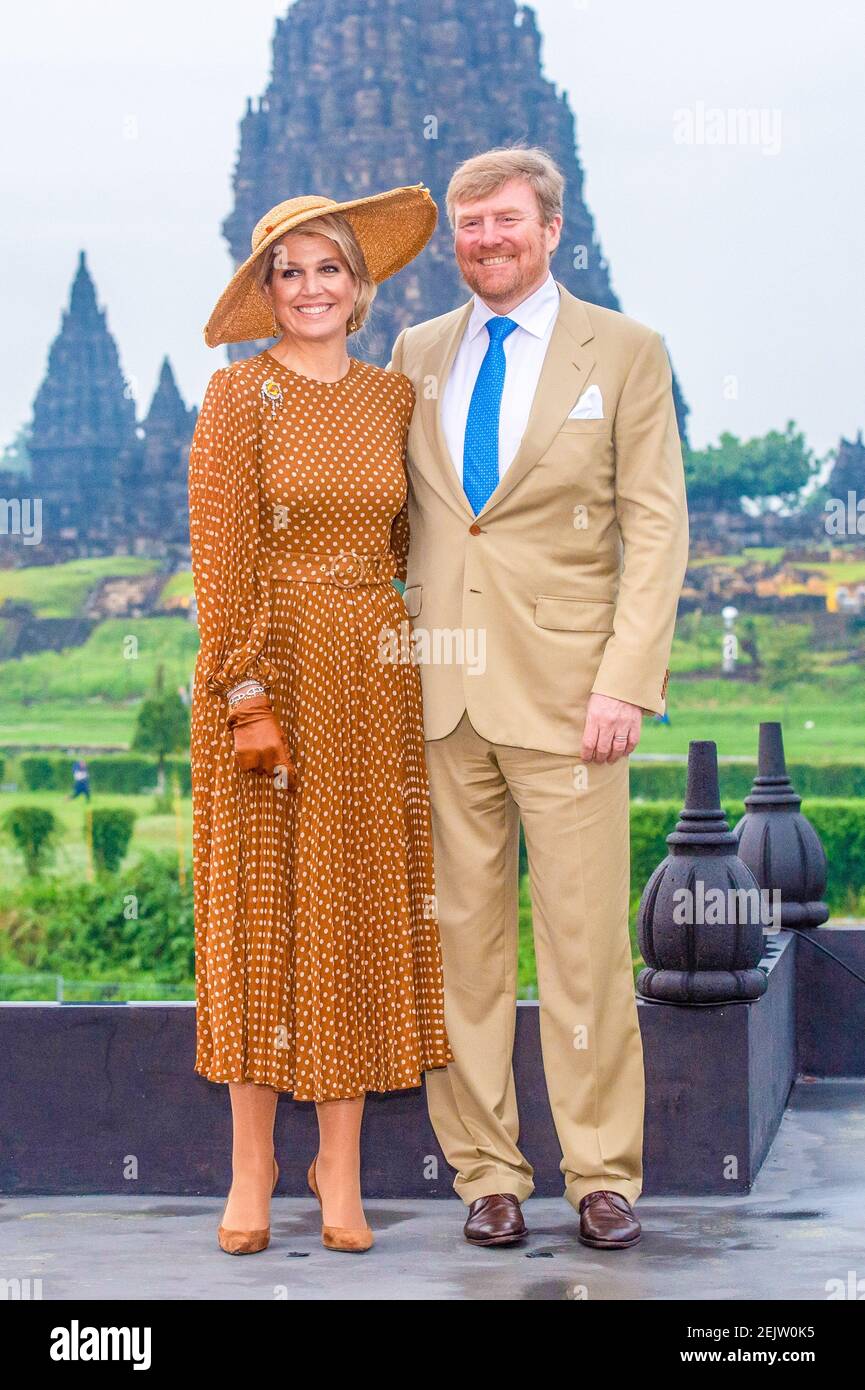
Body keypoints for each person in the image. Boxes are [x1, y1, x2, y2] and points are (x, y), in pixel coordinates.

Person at [388, 147, 689, 1250]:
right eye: (468, 227)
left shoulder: (625, 350)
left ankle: (601, 1168)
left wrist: (625, 681)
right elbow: (405, 521)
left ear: (551, 227)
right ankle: (485, 1171)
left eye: (505, 222)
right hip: (440, 691)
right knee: (459, 943)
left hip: (574, 700)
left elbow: (655, 527)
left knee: (581, 942)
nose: (486, 241)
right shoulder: (417, 352)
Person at [190, 184, 452, 1256]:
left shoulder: (394, 399)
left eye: (327, 268)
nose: (308, 288)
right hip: (264, 668)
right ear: (264, 290)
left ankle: (335, 1169)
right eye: (286, 271)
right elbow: (222, 554)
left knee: (354, 912)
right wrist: (245, 692)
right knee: (260, 912)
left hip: (371, 675)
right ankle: (251, 1167)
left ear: (360, 285)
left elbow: (413, 547)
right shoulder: (237, 396)